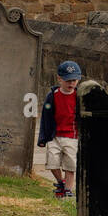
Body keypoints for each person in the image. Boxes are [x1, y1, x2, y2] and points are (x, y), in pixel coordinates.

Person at [37, 60, 82, 199]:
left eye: (74, 80)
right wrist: (43, 138)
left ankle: (68, 190)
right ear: (59, 79)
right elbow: (46, 117)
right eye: (67, 80)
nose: (71, 83)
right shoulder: (53, 96)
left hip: (72, 136)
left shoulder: (79, 96)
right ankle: (60, 182)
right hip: (55, 136)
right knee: (52, 162)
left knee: (70, 165)